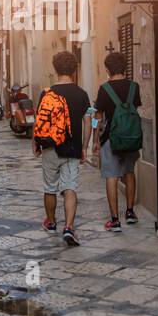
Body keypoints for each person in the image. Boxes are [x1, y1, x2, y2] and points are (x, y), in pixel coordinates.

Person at [32, 51, 91, 247]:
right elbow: (88, 123)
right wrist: (84, 147)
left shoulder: (46, 93)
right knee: (70, 187)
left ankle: (50, 223)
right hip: (72, 148)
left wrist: (36, 142)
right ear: (74, 69)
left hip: (50, 146)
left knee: (49, 187)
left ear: (55, 69)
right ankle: (69, 227)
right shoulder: (82, 94)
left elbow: (39, 120)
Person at [93, 52, 143, 230]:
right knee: (129, 172)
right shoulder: (134, 87)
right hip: (130, 137)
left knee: (111, 176)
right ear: (124, 67)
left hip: (110, 139)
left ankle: (114, 220)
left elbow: (97, 117)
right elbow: (134, 109)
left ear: (107, 70)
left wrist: (95, 138)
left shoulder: (104, 89)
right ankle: (130, 212)